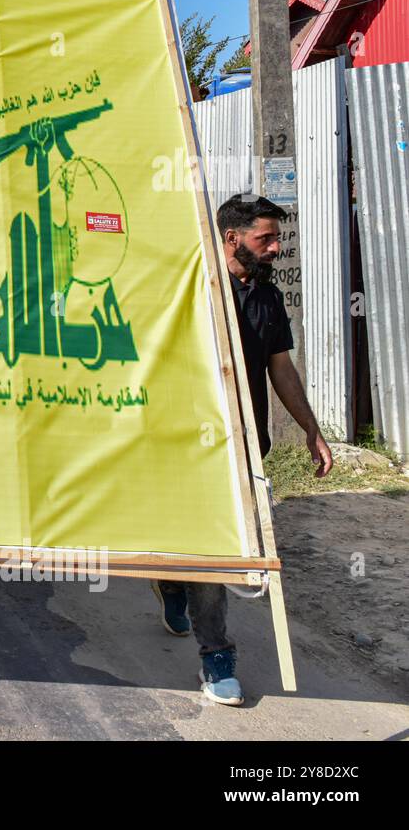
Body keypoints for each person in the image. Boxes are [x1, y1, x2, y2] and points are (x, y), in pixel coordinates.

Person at [152, 193, 332, 706]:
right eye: (266, 238)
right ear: (233, 238)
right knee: (198, 544)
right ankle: (185, 605)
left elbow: (280, 368)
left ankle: (212, 651)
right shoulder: (194, 287)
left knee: (222, 547)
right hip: (187, 440)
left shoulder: (268, 298)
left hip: (246, 443)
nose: (276, 247)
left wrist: (311, 431)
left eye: (277, 238)